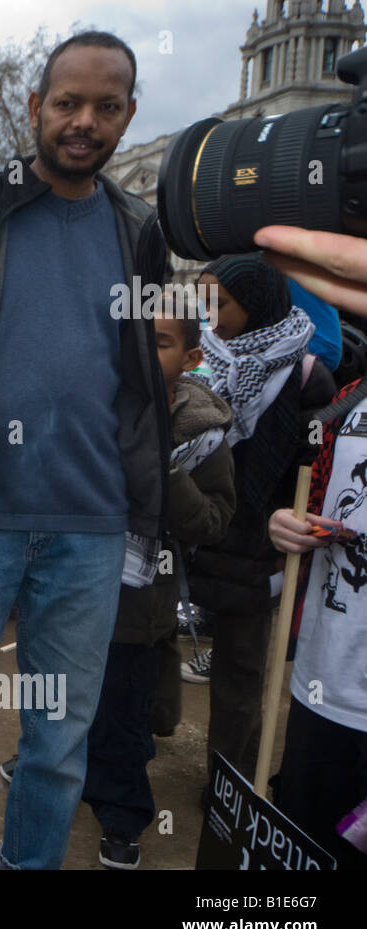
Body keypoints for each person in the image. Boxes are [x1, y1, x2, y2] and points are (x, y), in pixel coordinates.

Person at [0, 30, 171, 869]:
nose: (84, 121)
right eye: (67, 103)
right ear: (34, 108)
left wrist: (142, 496)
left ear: (128, 115)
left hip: (90, 530)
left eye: (106, 106)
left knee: (58, 749)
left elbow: (151, 366)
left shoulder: (140, 232)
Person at [81, 305, 236, 869]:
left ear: (193, 358)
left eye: (164, 343)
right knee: (65, 700)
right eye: (138, 341)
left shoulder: (200, 432)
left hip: (140, 604)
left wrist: (165, 474)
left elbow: (214, 521)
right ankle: (51, 769)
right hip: (75, 584)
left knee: (123, 714)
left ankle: (122, 818)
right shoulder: (96, 405)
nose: (146, 354)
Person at [187, 255, 335, 787]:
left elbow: (311, 465)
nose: (207, 313)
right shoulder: (200, 358)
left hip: (257, 546)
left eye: (217, 302)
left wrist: (285, 526)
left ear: (257, 304)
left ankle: (230, 786)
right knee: (147, 649)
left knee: (241, 675)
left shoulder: (307, 376)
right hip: (192, 530)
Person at [268, 371, 367, 869]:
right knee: (308, 853)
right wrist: (287, 524)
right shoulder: (350, 401)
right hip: (322, 686)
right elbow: (310, 501)